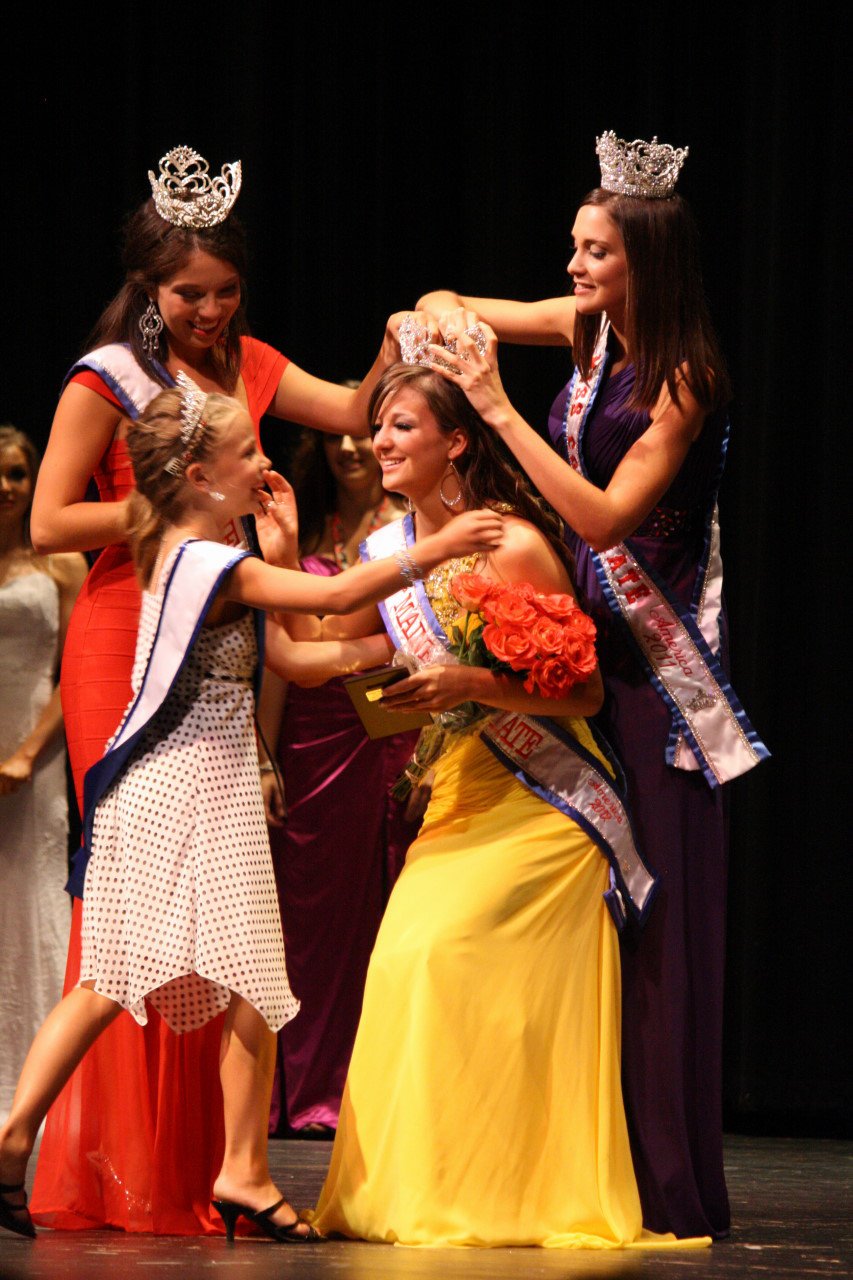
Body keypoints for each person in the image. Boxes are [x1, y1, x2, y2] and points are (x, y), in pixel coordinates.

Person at [25, 145, 427, 1234]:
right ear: (148, 288)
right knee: (138, 901)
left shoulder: (249, 362)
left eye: (225, 292)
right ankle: (118, 1162)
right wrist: (177, 510)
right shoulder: (108, 378)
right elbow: (51, 520)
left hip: (229, 621)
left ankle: (212, 1162)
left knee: (221, 908)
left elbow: (353, 410)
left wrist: (398, 335)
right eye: (188, 295)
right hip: (131, 630)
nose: (209, 313)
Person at [0, 380, 503, 1243]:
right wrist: (441, 547)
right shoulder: (200, 560)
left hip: (201, 781)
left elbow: (298, 657)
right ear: (200, 476)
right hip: (183, 785)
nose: (265, 461)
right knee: (142, 978)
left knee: (222, 979)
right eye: (247, 453)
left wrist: (413, 638)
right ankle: (40, 1140)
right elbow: (328, 600)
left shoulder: (212, 547)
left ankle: (227, 1166)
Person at [415, 130, 768, 1239]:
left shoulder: (684, 379)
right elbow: (438, 303)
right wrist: (443, 319)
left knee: (651, 917)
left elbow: (606, 518)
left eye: (594, 252)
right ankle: (576, 1166)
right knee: (581, 918)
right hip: (575, 654)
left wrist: (496, 406)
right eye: (572, 248)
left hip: (654, 679)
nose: (572, 267)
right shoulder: (584, 330)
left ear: (644, 260)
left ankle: (664, 1184)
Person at [304, 362, 707, 1249]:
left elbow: (583, 695)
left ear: (456, 442)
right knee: (403, 964)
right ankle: (418, 1191)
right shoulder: (388, 549)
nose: (379, 442)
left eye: (402, 426)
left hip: (544, 809)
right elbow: (314, 648)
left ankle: (504, 1196)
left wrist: (471, 682)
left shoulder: (513, 545)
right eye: (378, 426)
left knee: (446, 958)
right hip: (456, 794)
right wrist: (273, 543)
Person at [259, 417, 421, 1138]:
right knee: (308, 920)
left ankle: (368, 1091)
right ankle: (301, 1088)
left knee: (387, 912)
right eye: (338, 439)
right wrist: (265, 753)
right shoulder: (299, 533)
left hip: (392, 731)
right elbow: (282, 657)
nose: (352, 448)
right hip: (312, 740)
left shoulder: (411, 531)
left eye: (368, 435)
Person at [0, 428, 86, 1122]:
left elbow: (77, 670)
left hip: (35, 748)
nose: (5, 487)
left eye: (16, 474)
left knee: (32, 895)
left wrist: (28, 751)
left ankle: (40, 1086)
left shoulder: (60, 561)